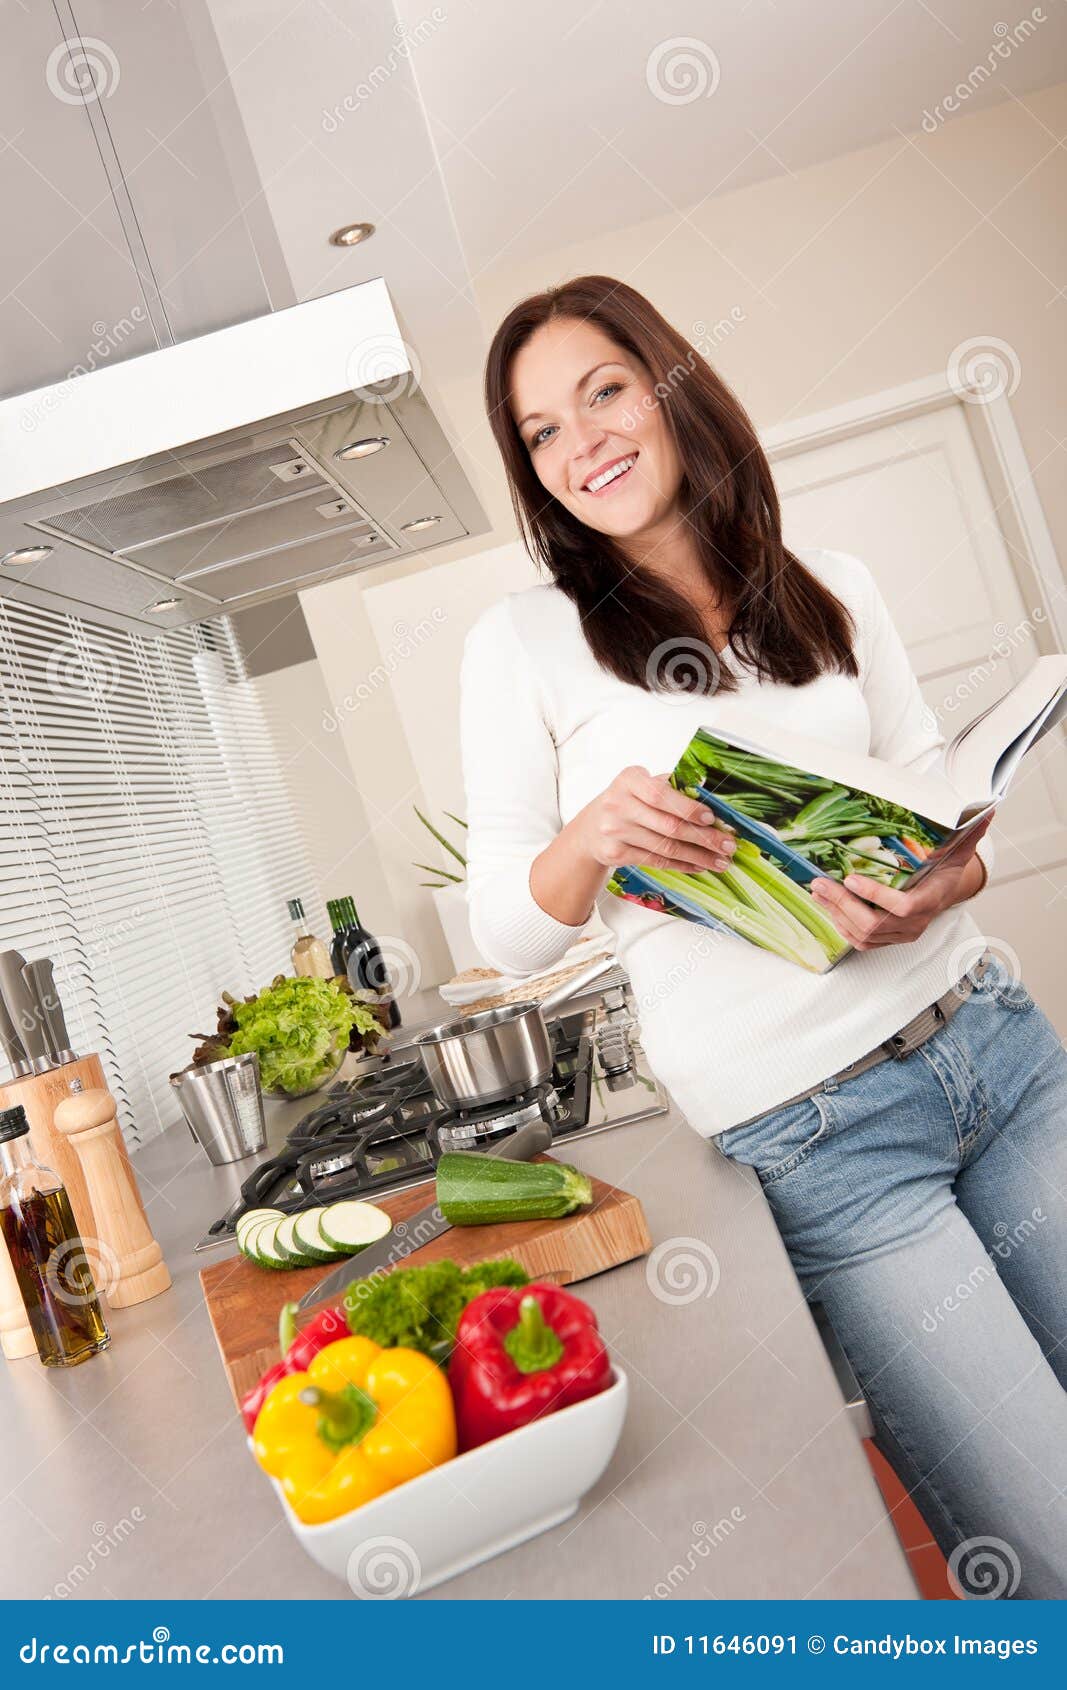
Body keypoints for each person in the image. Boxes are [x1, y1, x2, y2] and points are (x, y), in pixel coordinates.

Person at [459, 274, 1067, 1598]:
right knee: (1045, 1540)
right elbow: (503, 927)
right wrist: (592, 840)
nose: (583, 442)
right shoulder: (524, 644)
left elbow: (937, 792)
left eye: (603, 391)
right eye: (541, 431)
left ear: (667, 385)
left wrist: (937, 885)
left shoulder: (825, 583)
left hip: (1003, 1058)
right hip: (828, 1142)